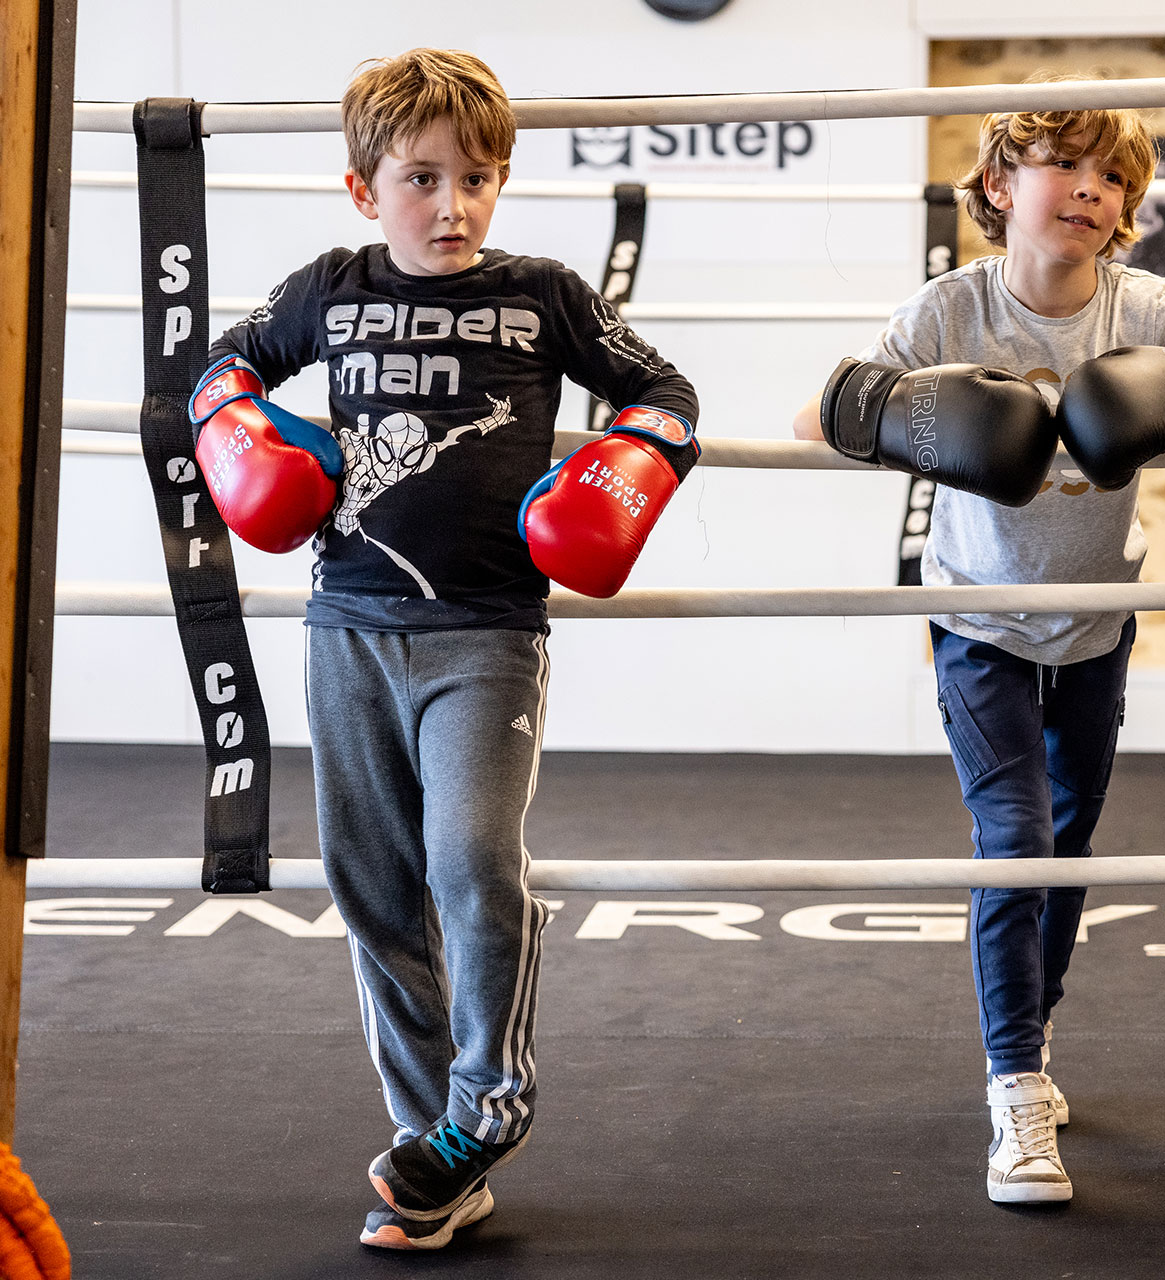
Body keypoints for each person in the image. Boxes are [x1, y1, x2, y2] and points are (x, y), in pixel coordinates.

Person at [190, 48, 700, 1250]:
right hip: (350, 630)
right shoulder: (329, 286)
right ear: (365, 187)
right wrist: (246, 439)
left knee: (471, 859)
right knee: (373, 888)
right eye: (421, 179)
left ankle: (489, 1103)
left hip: (486, 634)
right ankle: (439, 1150)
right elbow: (221, 369)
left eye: (477, 178)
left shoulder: (544, 293)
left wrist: (622, 469)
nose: (452, 205)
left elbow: (666, 394)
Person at [795, 95, 1165, 1204]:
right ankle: (1014, 1084)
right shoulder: (950, 306)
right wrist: (924, 420)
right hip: (980, 622)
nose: (1090, 191)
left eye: (1112, 179)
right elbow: (815, 419)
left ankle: (1036, 1028)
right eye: (1065, 164)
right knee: (1015, 840)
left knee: (1067, 846)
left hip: (1097, 622)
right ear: (998, 185)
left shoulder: (1146, 305)